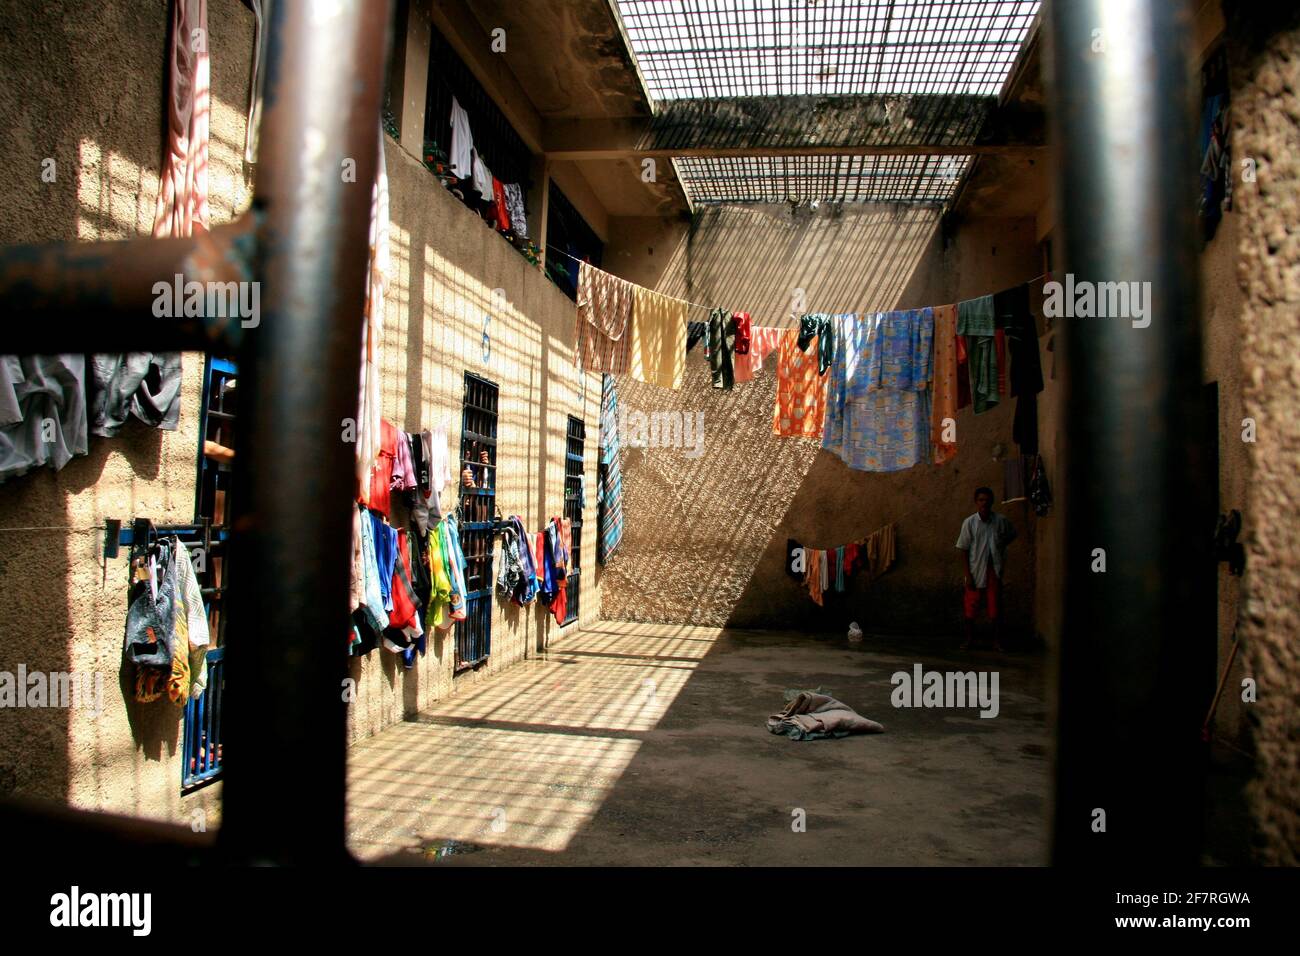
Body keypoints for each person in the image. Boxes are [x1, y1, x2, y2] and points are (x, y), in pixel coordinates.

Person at [956, 486, 1017, 651]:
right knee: (971, 606)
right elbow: (963, 548)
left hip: (993, 570)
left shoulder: (1000, 521)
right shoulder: (970, 523)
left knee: (995, 607)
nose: (984, 502)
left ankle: (997, 642)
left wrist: (1000, 546)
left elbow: (1012, 534)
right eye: (981, 499)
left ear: (992, 501)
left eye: (987, 499)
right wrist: (967, 574)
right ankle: (969, 640)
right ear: (976, 502)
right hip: (975, 570)